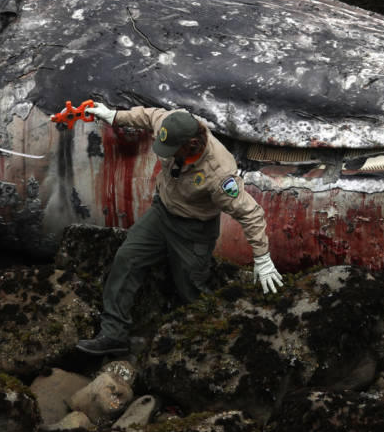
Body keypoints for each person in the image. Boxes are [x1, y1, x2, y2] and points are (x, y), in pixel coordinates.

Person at [75, 105, 283, 356]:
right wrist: (115, 116)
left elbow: (250, 213)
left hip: (194, 230)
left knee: (191, 290)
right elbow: (149, 116)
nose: (168, 154)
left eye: (173, 150)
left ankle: (213, 345)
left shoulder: (219, 174)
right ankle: (113, 333)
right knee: (126, 259)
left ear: (192, 144)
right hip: (162, 212)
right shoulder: (173, 124)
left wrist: (262, 257)